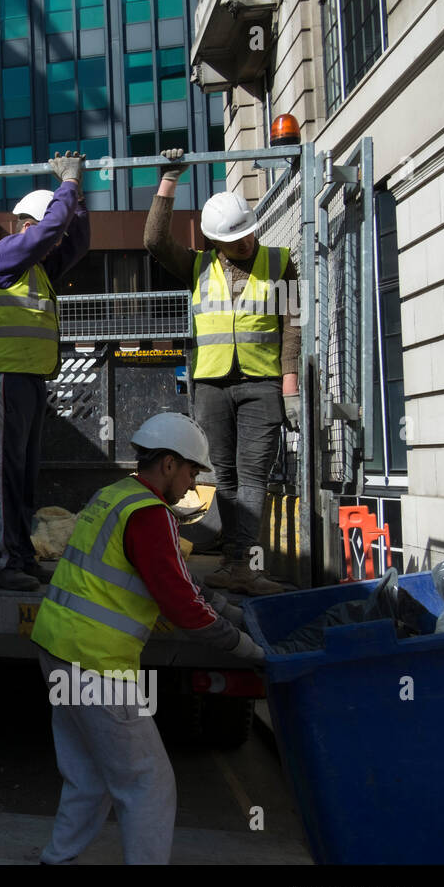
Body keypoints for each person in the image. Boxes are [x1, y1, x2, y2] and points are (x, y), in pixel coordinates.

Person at [30, 412, 265, 864]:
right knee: (148, 782)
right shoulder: (151, 515)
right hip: (96, 665)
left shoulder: (114, 496)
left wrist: (233, 611)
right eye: (193, 471)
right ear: (170, 464)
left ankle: (57, 859)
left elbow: (176, 580)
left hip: (57, 650)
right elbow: (181, 607)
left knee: (88, 776)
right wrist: (247, 648)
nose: (193, 485)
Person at [144, 149, 299, 596]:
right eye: (234, 240)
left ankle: (247, 568)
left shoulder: (278, 261)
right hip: (211, 386)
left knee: (253, 477)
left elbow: (292, 323)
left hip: (261, 385)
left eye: (248, 234)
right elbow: (154, 240)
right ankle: (234, 563)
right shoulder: (198, 265)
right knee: (223, 478)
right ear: (215, 241)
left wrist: (289, 384)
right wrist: (169, 179)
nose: (245, 244)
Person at [0, 151, 91, 591]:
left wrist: (75, 193)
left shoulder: (37, 269)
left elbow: (77, 242)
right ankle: (3, 562)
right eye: (50, 230)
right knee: (5, 474)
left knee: (23, 475)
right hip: (5, 378)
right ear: (32, 224)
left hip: (28, 380)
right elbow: (53, 232)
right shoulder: (5, 254)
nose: (56, 242)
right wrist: (67, 186)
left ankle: (20, 556)